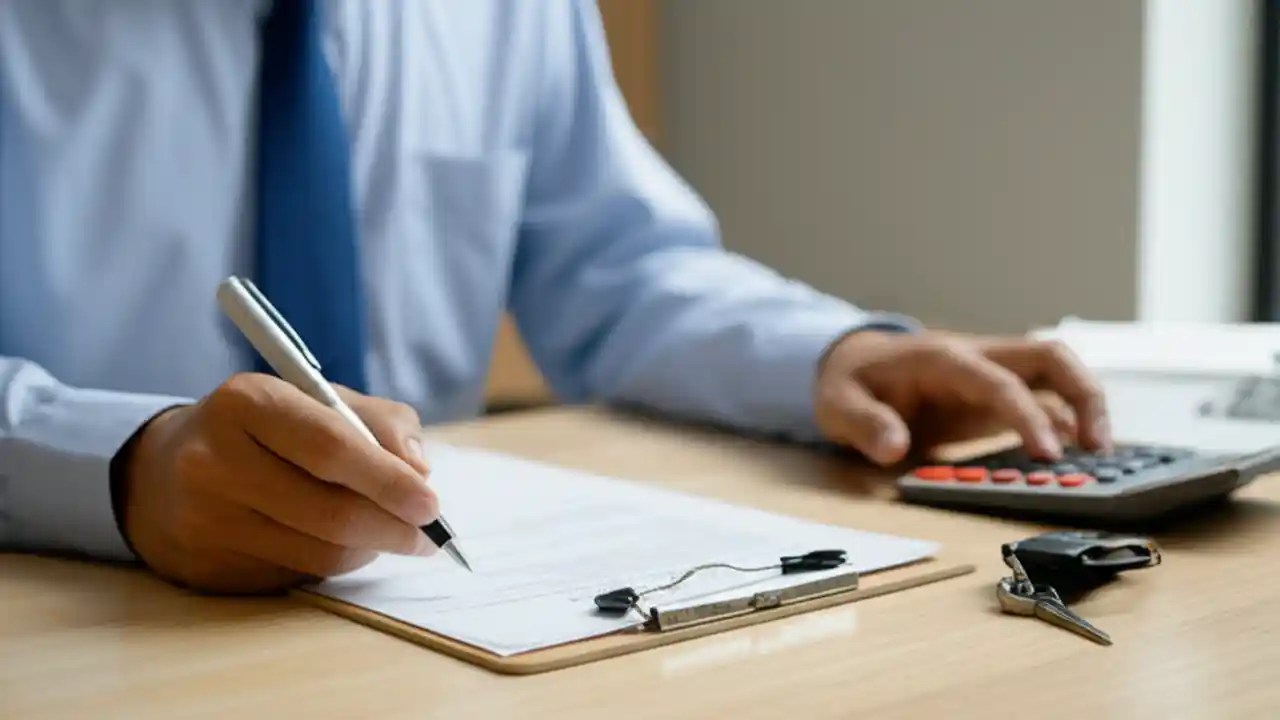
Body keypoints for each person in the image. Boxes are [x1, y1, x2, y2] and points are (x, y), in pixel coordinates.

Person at [0, 0, 1109, 594]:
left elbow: (614, 265)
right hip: (72, 615)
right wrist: (119, 466)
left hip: (408, 623)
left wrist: (828, 354)